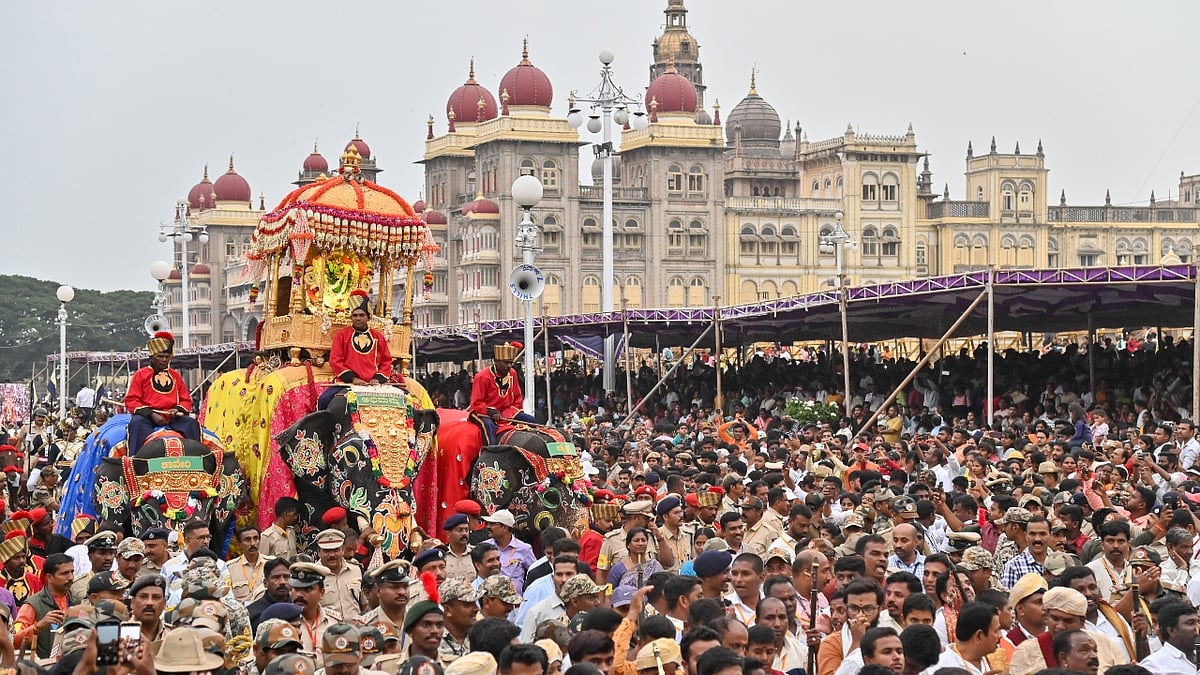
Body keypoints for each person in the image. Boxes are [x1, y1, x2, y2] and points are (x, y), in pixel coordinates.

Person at [124, 331, 201, 453]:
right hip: (147, 417)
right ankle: (135, 459)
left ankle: (198, 458)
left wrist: (176, 410)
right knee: (136, 424)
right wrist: (152, 414)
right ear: (152, 356)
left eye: (167, 356)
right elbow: (132, 400)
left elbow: (185, 400)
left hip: (173, 417)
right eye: (160, 356)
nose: (164, 360)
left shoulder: (175, 376)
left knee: (192, 424)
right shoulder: (141, 374)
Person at [470, 342, 536, 446]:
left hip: (505, 412)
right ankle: (491, 451)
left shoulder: (513, 373)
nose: (509, 366)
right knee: (490, 428)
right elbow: (476, 403)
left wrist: (509, 412)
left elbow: (517, 397)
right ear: (496, 362)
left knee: (530, 420)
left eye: (511, 363)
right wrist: (490, 412)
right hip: (484, 413)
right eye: (506, 363)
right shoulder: (482, 377)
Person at [13, 552, 72, 660]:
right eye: (64, 573)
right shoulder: (32, 605)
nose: (71, 577)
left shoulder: (77, 601)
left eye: (72, 572)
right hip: (43, 666)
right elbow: (14, 640)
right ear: (49, 577)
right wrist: (37, 627)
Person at [330, 290, 393, 386]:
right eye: (355, 315)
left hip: (374, 384)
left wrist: (377, 379)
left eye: (362, 315)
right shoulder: (341, 335)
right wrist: (353, 378)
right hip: (347, 383)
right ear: (351, 317)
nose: (358, 318)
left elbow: (386, 361)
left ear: (368, 317)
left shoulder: (378, 337)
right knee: (327, 396)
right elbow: (335, 361)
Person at [925, 601, 1002, 674]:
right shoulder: (936, 668)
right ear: (979, 636)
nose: (1000, 635)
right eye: (996, 631)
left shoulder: (998, 659)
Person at [1138, 601, 1199, 674]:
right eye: (1190, 623)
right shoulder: (1153, 666)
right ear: (1171, 631)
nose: (1198, 627)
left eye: (1199, 622)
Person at [229, 525, 272, 604]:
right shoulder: (230, 567)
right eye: (247, 540)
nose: (253, 543)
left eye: (256, 539)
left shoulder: (271, 563)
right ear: (239, 544)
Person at [249, 557, 293, 632]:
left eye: (286, 577)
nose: (282, 582)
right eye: (276, 577)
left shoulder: (299, 608)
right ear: (265, 583)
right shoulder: (252, 613)